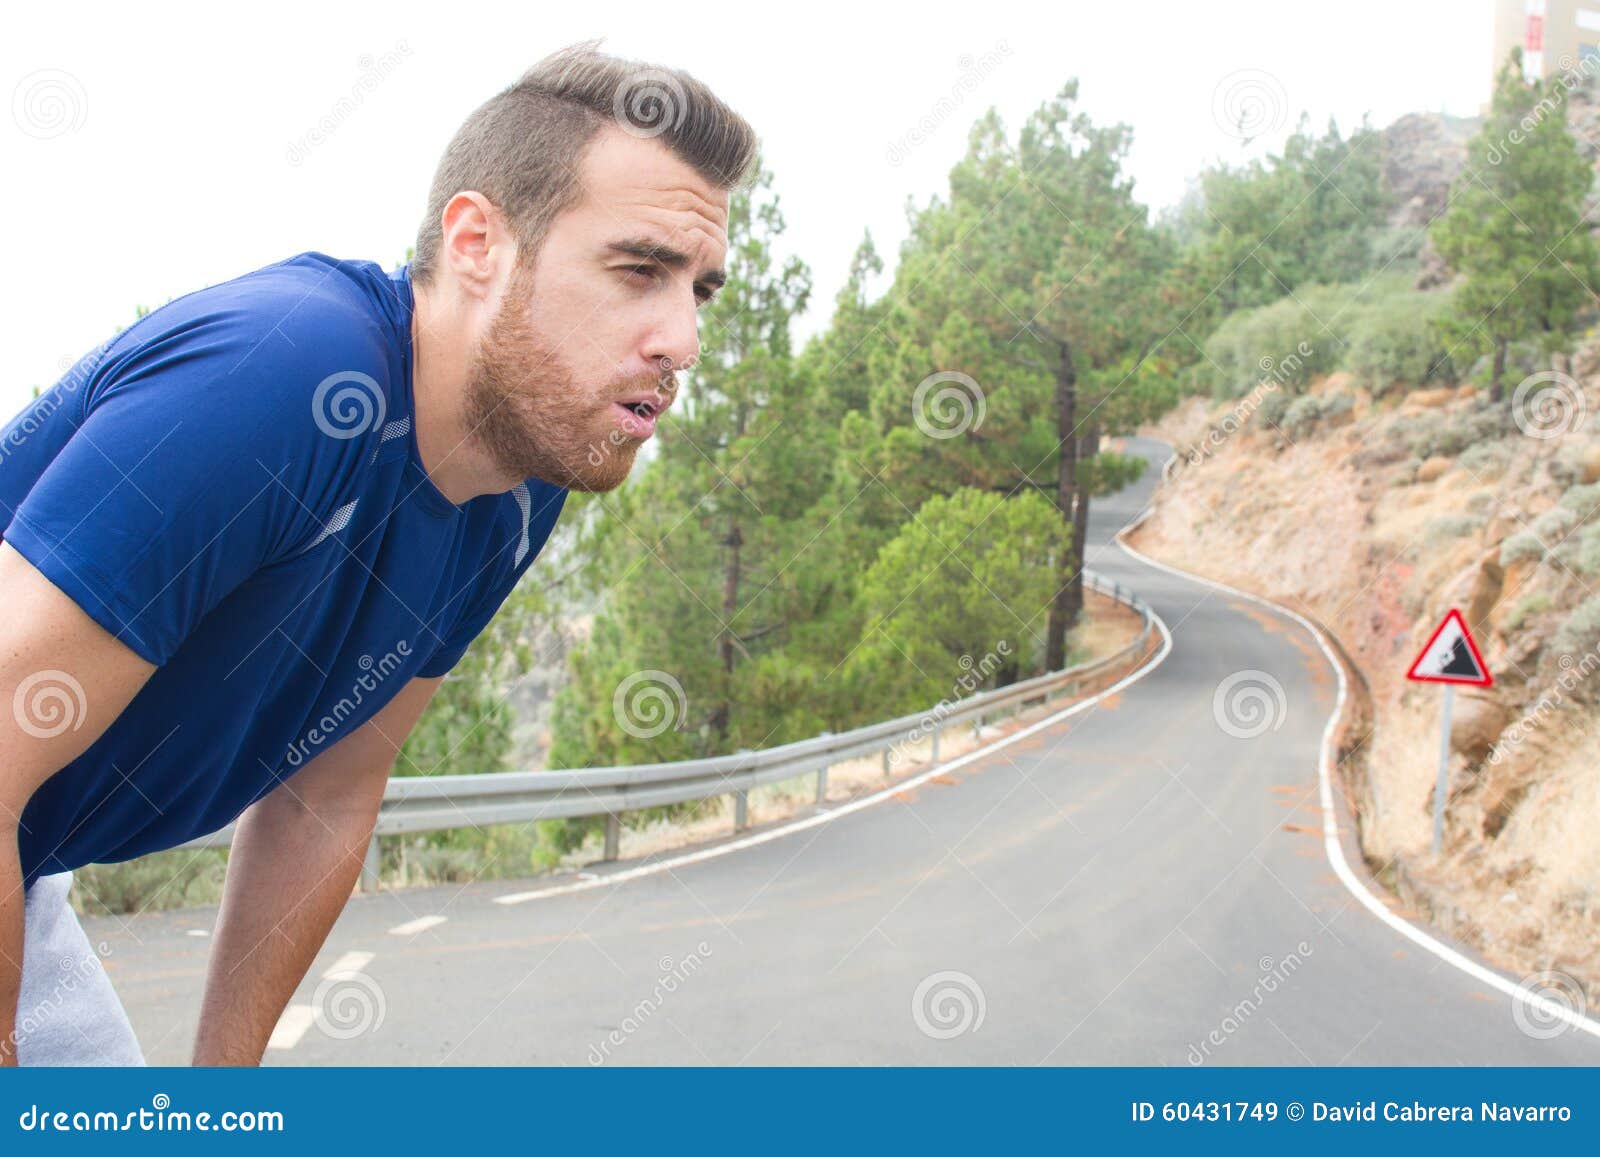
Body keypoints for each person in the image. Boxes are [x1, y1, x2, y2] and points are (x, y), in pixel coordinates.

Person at [0, 40, 756, 1066]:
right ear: (477, 241)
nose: (683, 339)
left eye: (699, 290)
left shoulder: (520, 489)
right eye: (638, 270)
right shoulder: (283, 378)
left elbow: (329, 788)